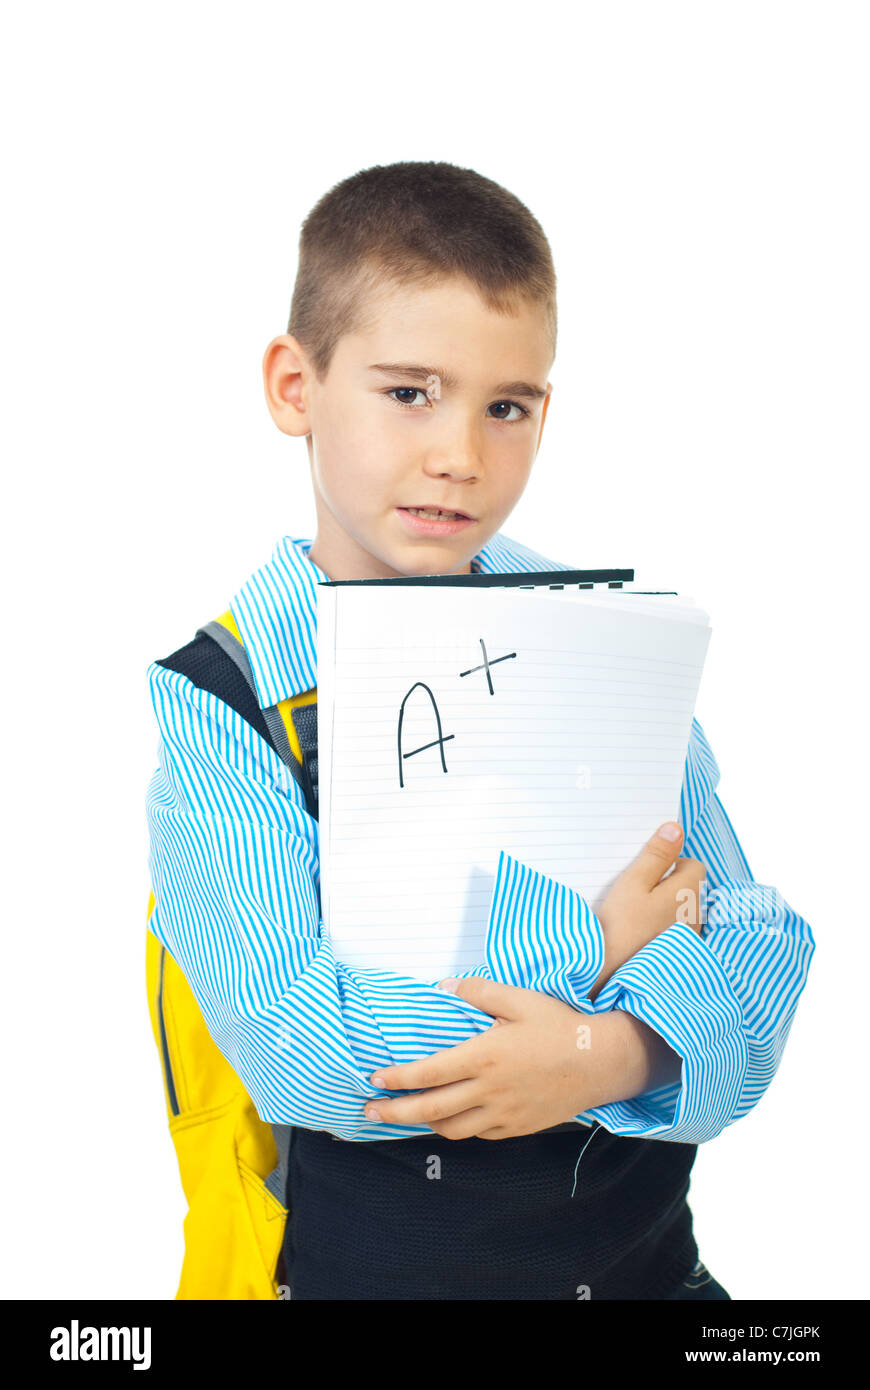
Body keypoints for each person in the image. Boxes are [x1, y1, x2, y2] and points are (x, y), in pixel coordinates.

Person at [145, 161, 815, 1300]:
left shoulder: (601, 636)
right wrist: (594, 955)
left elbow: (758, 962)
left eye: (507, 406)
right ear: (294, 386)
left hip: (653, 1281)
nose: (462, 453)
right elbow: (305, 1051)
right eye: (411, 391)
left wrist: (610, 1057)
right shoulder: (229, 704)